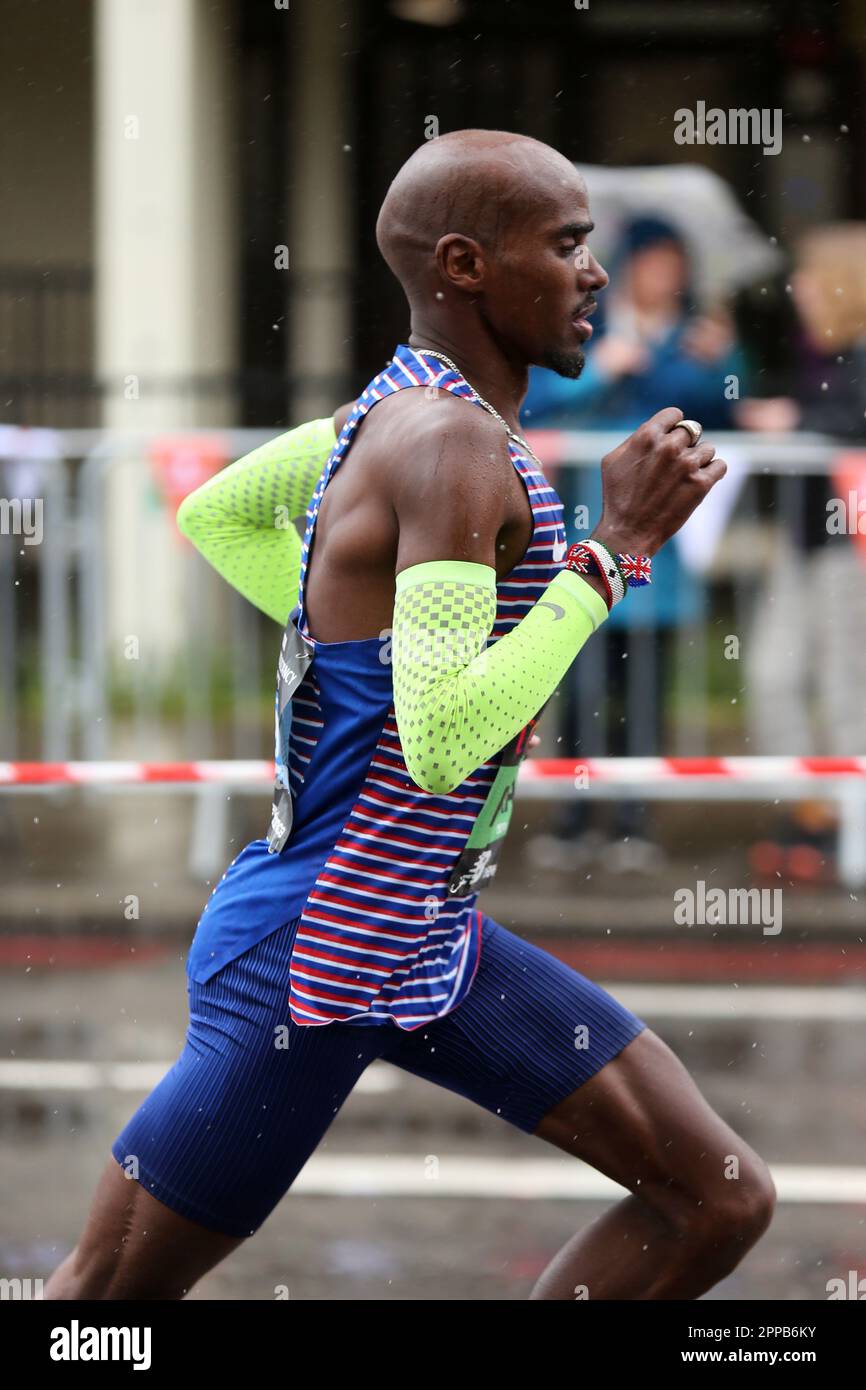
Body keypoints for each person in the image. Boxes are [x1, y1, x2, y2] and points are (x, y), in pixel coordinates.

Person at [45, 130, 773, 1302]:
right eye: (567, 243)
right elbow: (439, 746)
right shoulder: (444, 446)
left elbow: (222, 516)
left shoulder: (397, 412)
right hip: (316, 955)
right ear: (464, 264)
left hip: (429, 936)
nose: (595, 271)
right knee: (98, 1309)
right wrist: (613, 552)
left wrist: (350, 647)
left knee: (718, 1195)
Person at [522, 216, 746, 872]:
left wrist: (719, 364)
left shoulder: (700, 338)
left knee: (643, 688)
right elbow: (533, 404)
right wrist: (603, 370)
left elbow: (726, 411)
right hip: (587, 540)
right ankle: (571, 818)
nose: (667, 278)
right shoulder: (587, 331)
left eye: (676, 265)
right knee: (579, 686)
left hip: (657, 554)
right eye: (655, 263)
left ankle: (632, 823)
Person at [736, 223, 866, 882]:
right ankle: (807, 811)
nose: (799, 292)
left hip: (852, 548)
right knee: (771, 674)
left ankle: (849, 825)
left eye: (812, 280)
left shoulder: (857, 357)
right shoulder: (816, 354)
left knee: (848, 688)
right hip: (802, 540)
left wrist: (798, 422)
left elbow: (848, 422)